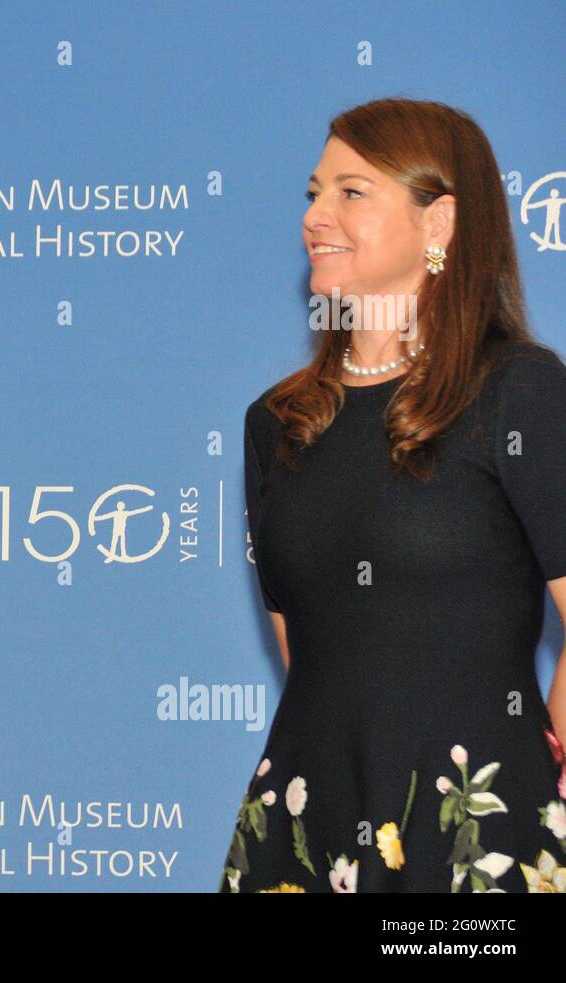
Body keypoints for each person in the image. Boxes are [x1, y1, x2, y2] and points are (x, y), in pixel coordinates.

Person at [221, 99, 566, 893]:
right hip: (305, 825)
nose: (316, 216)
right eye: (312, 193)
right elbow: (306, 655)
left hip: (476, 824)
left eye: (351, 192)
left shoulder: (519, 393)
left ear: (438, 223)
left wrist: (540, 783)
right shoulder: (278, 424)